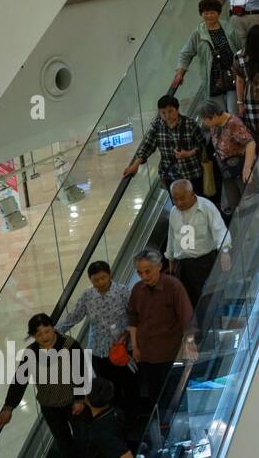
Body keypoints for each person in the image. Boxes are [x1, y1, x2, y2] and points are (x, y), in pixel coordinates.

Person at [0, 314, 89, 458]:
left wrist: (79, 399)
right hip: (49, 407)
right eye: (39, 335)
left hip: (73, 404)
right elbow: (19, 381)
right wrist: (9, 407)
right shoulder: (31, 353)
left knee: (83, 436)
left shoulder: (69, 345)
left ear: (53, 328)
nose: (45, 337)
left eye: (47, 331)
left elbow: (81, 371)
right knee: (63, 441)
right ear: (34, 336)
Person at [127, 248, 197, 419]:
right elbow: (133, 320)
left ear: (159, 266)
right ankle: (159, 427)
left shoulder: (173, 286)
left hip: (170, 353)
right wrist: (135, 346)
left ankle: (177, 425)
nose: (144, 276)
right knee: (153, 397)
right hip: (146, 353)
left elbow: (186, 316)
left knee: (173, 395)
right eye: (140, 272)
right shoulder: (137, 289)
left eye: (148, 271)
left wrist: (189, 342)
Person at [56, 261, 133, 412]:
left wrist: (128, 332)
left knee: (127, 384)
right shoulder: (88, 296)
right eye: (96, 280)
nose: (100, 282)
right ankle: (112, 415)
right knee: (105, 387)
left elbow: (135, 316)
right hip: (99, 350)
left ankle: (131, 415)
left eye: (103, 278)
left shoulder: (123, 292)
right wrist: (53, 333)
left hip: (122, 349)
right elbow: (73, 317)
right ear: (90, 279)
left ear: (110, 275)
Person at [123, 94, 210, 195]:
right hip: (170, 174)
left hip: (191, 172)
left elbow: (202, 144)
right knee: (177, 204)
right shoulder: (157, 126)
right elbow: (148, 145)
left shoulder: (190, 124)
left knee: (196, 201)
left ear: (177, 110)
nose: (167, 116)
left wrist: (188, 153)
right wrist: (136, 164)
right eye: (163, 113)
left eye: (170, 111)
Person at [165, 179, 232, 307]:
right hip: (182, 266)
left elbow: (220, 230)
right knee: (186, 303)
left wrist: (225, 251)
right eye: (175, 199)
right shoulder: (174, 211)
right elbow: (172, 236)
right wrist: (170, 258)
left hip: (204, 263)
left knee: (209, 301)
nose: (178, 203)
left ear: (192, 194)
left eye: (182, 198)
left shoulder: (206, 207)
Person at [172, 0, 242, 114]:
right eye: (206, 13)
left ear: (218, 13)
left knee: (234, 112)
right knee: (218, 114)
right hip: (212, 79)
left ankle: (235, 132)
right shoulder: (198, 33)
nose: (209, 16)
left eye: (212, 12)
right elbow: (186, 53)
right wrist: (180, 73)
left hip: (232, 75)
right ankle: (221, 133)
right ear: (201, 14)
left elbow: (240, 49)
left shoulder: (228, 28)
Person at [198, 100, 257, 216]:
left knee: (249, 204)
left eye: (204, 119)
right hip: (227, 171)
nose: (203, 122)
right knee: (234, 205)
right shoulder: (215, 126)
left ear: (213, 116)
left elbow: (250, 143)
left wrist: (247, 168)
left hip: (240, 170)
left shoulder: (233, 124)